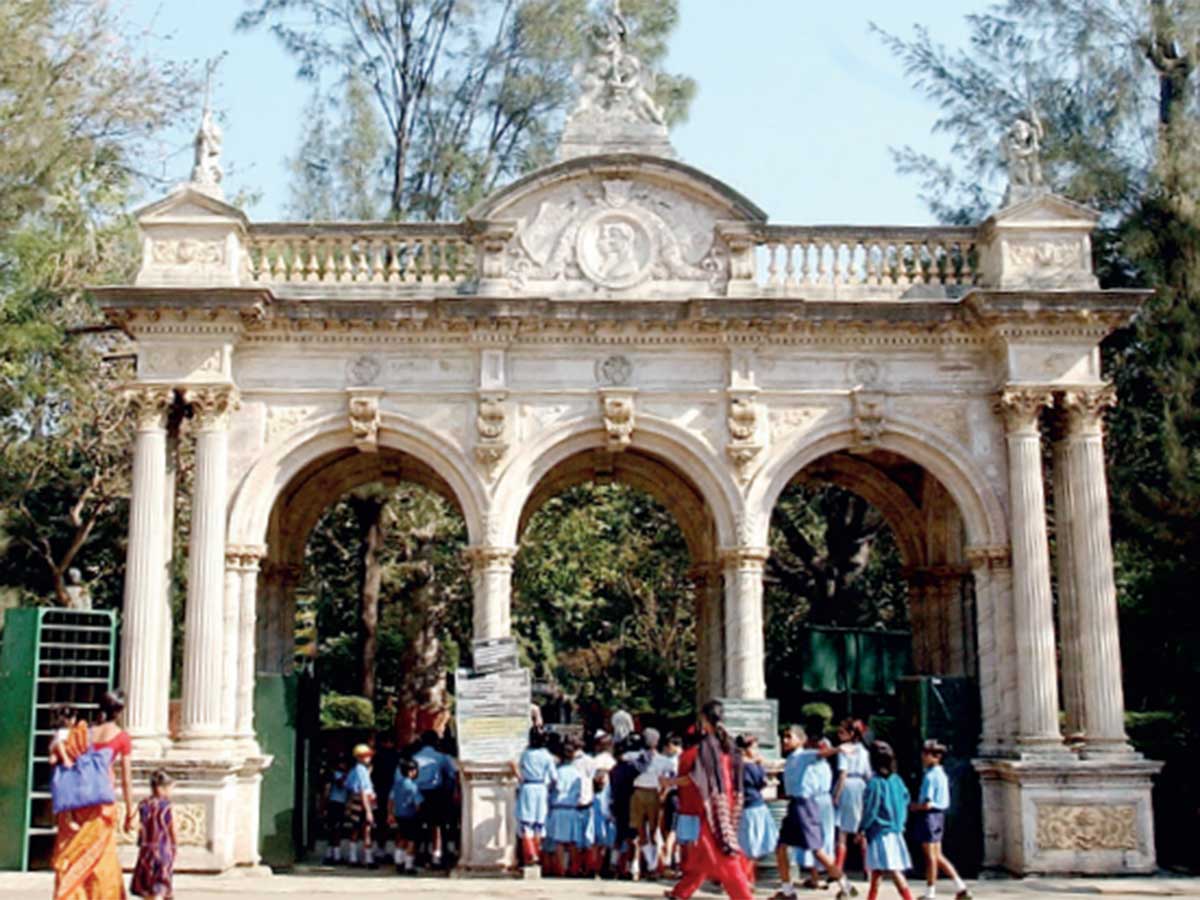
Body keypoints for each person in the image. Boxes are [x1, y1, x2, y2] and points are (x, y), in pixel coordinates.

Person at [662, 700, 754, 900]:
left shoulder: (705, 747)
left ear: (704, 719)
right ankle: (681, 892)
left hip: (712, 808)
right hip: (727, 803)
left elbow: (695, 778)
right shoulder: (728, 745)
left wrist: (668, 782)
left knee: (722, 855)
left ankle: (744, 897)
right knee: (703, 855)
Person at [51, 689, 135, 900]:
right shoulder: (122, 738)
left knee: (75, 852)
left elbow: (62, 758)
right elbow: (126, 779)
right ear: (120, 711)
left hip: (79, 802)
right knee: (100, 857)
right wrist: (130, 811)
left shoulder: (84, 732)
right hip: (101, 805)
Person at [773, 724, 854, 900]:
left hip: (804, 806)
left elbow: (821, 754)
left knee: (816, 849)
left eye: (789, 737)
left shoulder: (804, 755)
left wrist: (839, 749)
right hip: (794, 805)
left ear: (801, 740)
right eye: (783, 737)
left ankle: (845, 884)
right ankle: (787, 890)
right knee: (780, 847)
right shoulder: (791, 759)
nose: (785, 741)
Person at [911, 741, 971, 900]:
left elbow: (927, 803)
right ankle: (960, 886)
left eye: (926, 754)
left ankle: (930, 892)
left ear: (935, 757)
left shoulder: (930, 776)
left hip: (929, 816)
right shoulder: (942, 775)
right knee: (938, 855)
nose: (923, 757)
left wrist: (914, 807)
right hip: (939, 816)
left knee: (930, 855)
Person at [859, 741, 914, 900]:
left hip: (880, 832)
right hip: (895, 830)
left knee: (893, 869)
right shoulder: (897, 781)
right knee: (878, 869)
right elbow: (905, 800)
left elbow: (870, 809)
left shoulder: (874, 783)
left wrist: (862, 827)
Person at [630, 727, 676, 880]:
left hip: (643, 792)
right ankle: (651, 865)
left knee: (647, 831)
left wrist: (663, 791)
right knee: (649, 831)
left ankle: (651, 864)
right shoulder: (662, 760)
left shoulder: (633, 757)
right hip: (650, 793)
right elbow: (671, 777)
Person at [736, 734, 778, 881]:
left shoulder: (734, 764)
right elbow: (762, 782)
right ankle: (745, 878)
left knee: (744, 846)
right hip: (755, 807)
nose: (757, 750)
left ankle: (747, 878)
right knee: (754, 846)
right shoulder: (751, 766)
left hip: (741, 807)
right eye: (754, 747)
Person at [413, 730, 457, 868]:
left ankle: (417, 853)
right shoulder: (441, 758)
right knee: (437, 825)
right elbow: (451, 776)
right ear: (436, 742)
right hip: (436, 794)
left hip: (417, 792)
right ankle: (436, 855)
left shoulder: (415, 757)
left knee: (419, 825)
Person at [130, 769, 177, 898]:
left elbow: (133, 823)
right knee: (160, 885)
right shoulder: (166, 806)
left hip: (146, 849)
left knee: (148, 886)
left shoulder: (143, 804)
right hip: (163, 849)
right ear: (162, 788)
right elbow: (172, 828)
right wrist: (174, 846)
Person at [513, 727, 556, 868]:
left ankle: (531, 855)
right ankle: (535, 854)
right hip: (541, 788)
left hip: (528, 787)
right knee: (538, 825)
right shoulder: (547, 755)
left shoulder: (526, 754)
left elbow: (518, 770)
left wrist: (516, 773)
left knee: (526, 824)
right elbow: (554, 777)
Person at [834, 719, 872, 875]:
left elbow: (843, 774)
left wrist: (836, 795)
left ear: (851, 734)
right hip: (861, 785)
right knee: (860, 829)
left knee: (842, 830)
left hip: (848, 785)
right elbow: (868, 774)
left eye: (842, 732)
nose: (839, 735)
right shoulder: (864, 751)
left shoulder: (844, 750)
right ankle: (867, 867)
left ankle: (838, 867)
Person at [546, 736, 584, 876]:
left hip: (558, 809)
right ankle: (574, 869)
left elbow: (551, 788)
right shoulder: (576, 774)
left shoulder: (557, 772)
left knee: (559, 842)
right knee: (573, 842)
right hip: (572, 809)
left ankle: (560, 870)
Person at [344, 744, 377, 867]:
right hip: (364, 801)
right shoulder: (361, 770)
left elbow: (348, 785)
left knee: (355, 829)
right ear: (359, 757)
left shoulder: (355, 770)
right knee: (367, 830)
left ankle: (353, 857)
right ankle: (368, 859)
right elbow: (363, 790)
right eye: (365, 756)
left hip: (355, 801)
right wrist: (368, 810)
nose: (369, 758)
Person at [387, 758, 422, 874]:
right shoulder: (413, 787)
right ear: (411, 771)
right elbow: (417, 804)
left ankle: (398, 861)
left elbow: (391, 800)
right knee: (411, 841)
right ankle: (409, 865)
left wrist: (390, 813)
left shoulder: (397, 784)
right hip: (410, 816)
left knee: (401, 839)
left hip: (399, 815)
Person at [658, 734, 684, 877]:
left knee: (671, 830)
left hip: (672, 795)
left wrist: (663, 793)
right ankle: (674, 859)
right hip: (679, 796)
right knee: (673, 830)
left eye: (669, 746)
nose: (668, 749)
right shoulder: (683, 760)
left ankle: (669, 860)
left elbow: (667, 781)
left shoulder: (673, 761)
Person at [322, 758, 350, 864]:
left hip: (341, 804)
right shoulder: (334, 775)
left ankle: (335, 853)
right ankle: (331, 854)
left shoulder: (346, 775)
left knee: (338, 829)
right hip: (334, 803)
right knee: (333, 828)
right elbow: (338, 785)